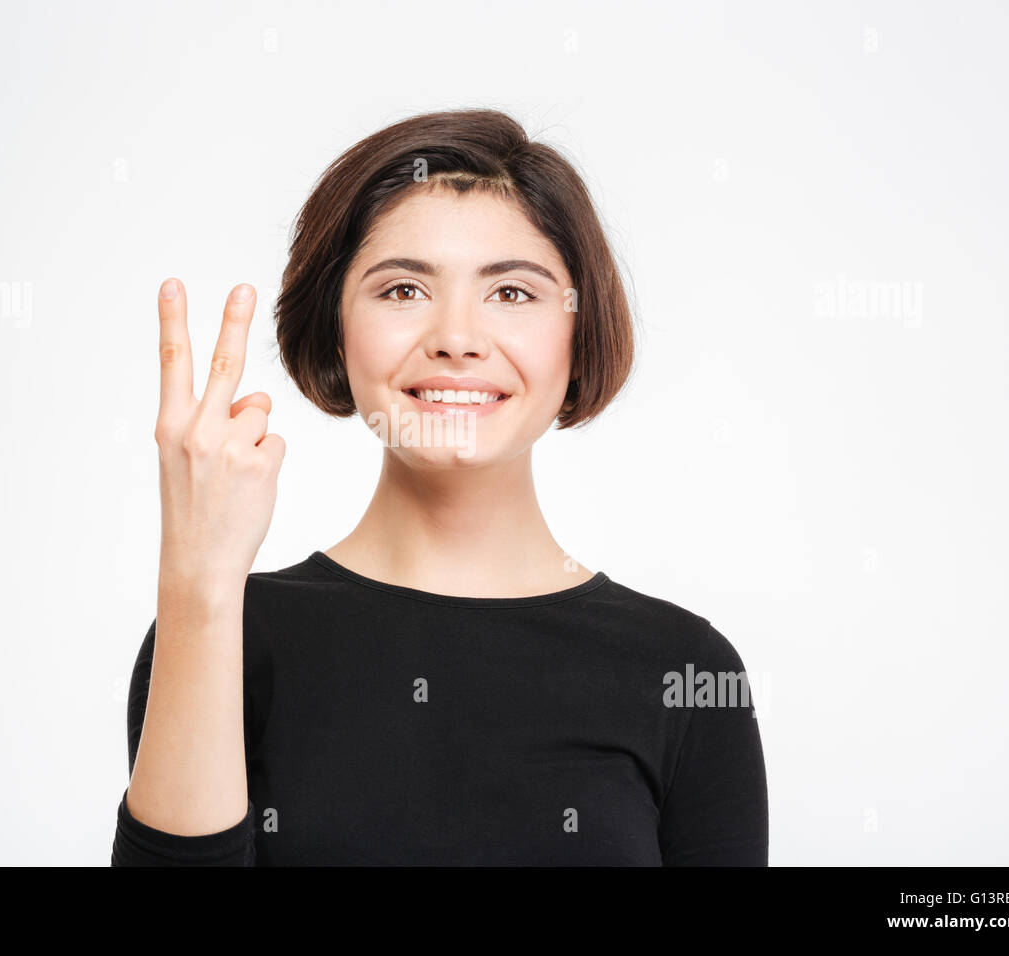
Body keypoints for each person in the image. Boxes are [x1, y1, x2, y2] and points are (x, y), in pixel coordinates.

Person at [110, 108, 768, 866]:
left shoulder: (685, 670)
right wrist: (197, 582)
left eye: (512, 293)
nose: (456, 337)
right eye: (402, 291)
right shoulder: (224, 632)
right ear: (335, 331)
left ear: (578, 332)